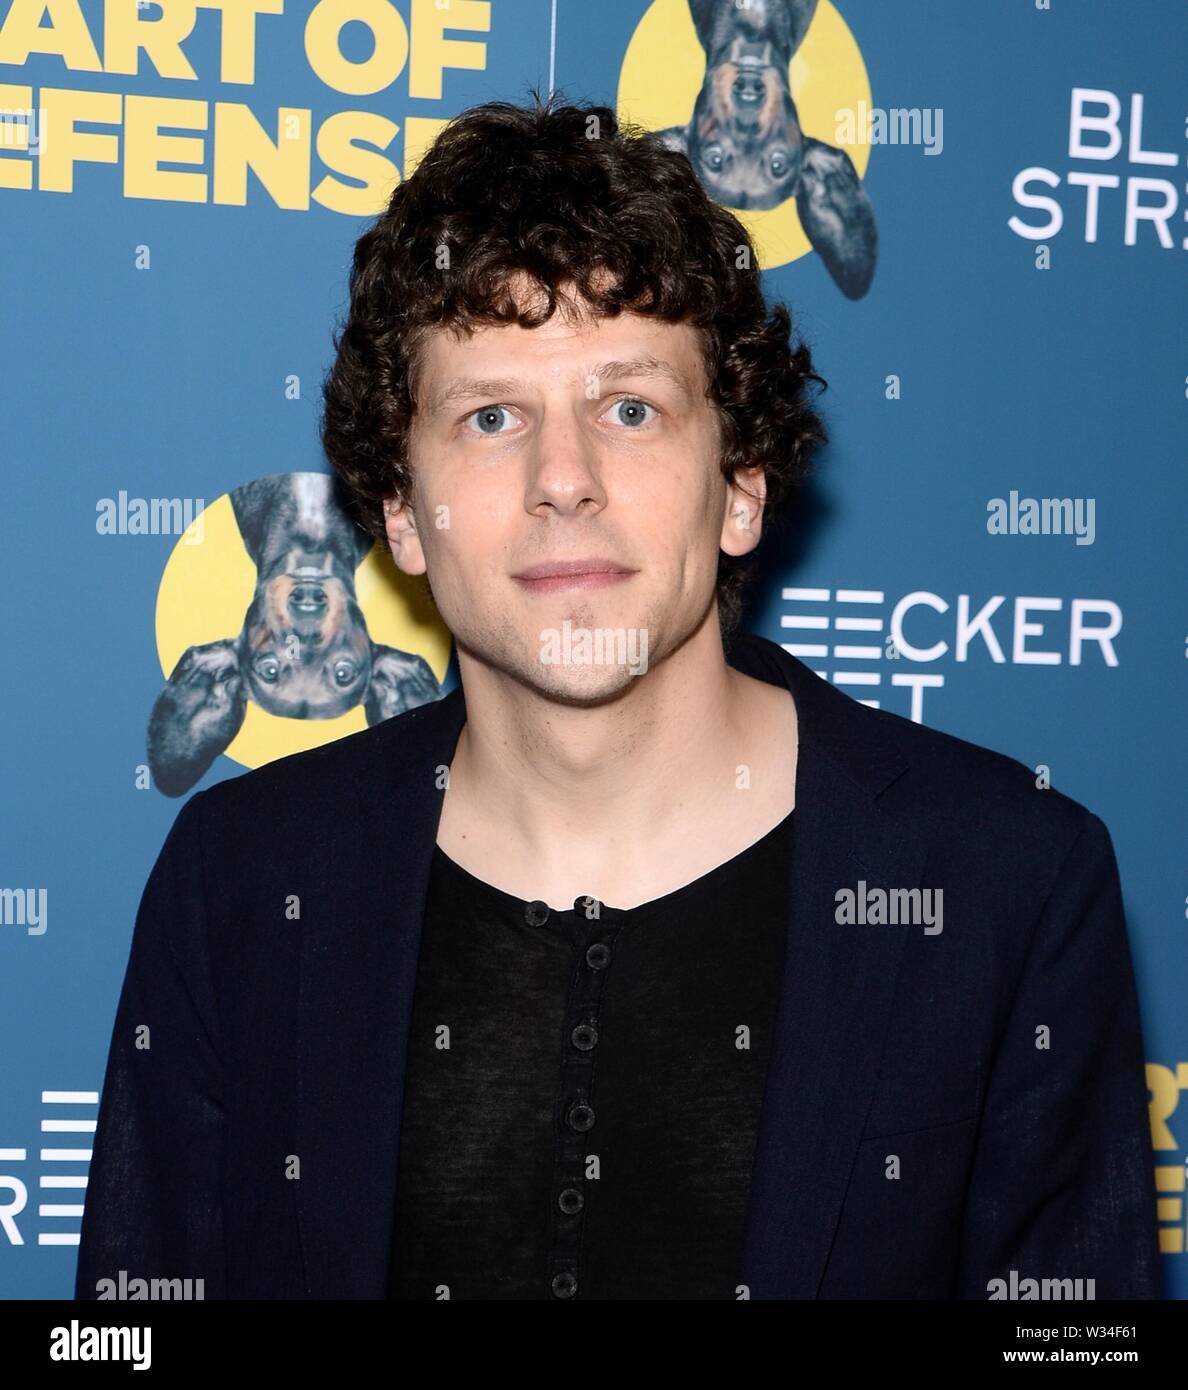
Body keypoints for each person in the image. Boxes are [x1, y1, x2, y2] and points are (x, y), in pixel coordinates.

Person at [75, 93, 1160, 1301]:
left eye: (629, 408)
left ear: (741, 481)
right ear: (399, 511)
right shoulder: (241, 880)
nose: (563, 480)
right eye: (492, 416)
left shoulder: (1006, 882)